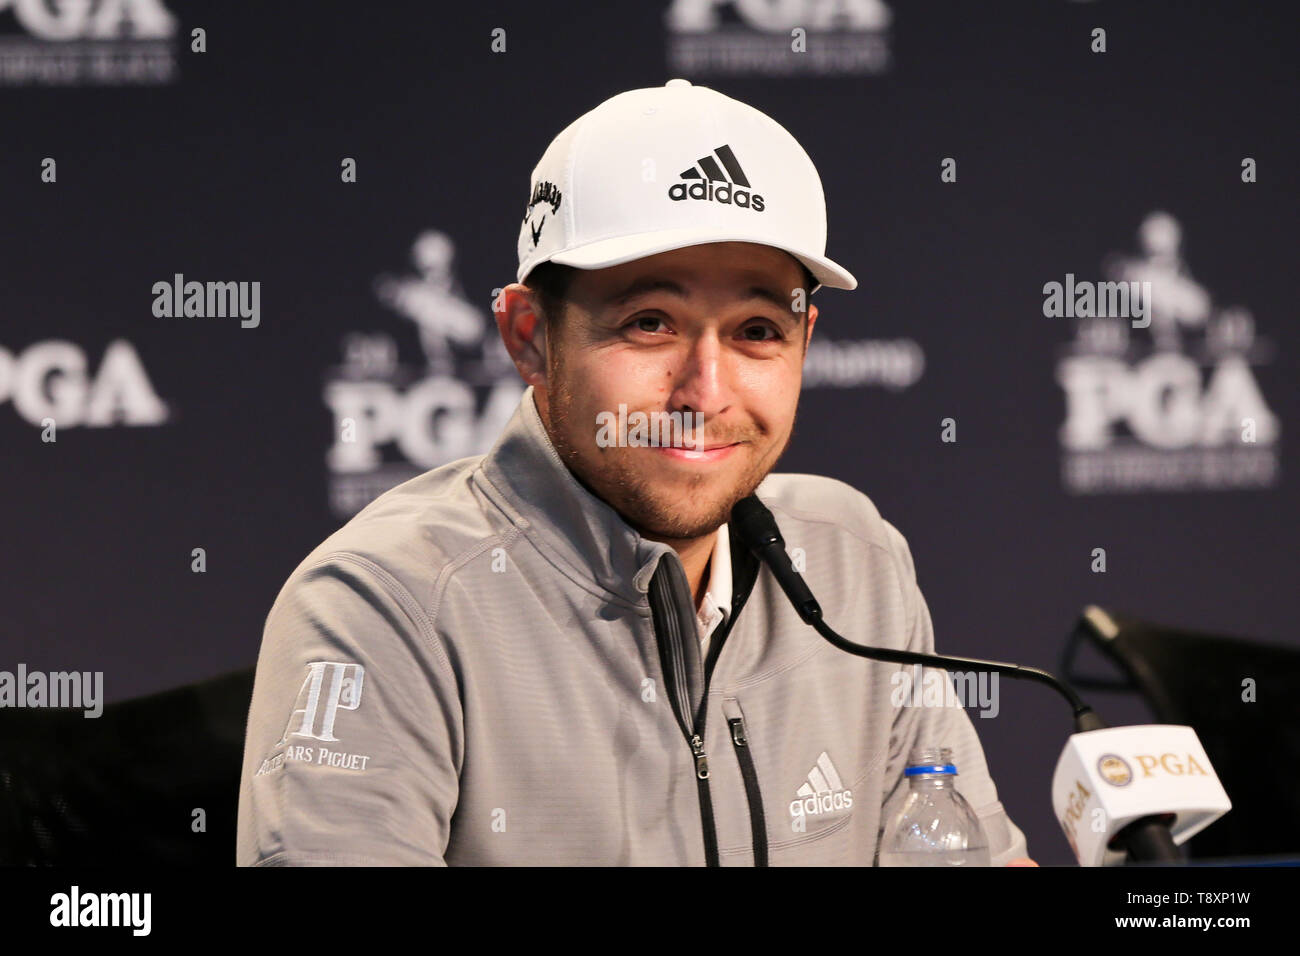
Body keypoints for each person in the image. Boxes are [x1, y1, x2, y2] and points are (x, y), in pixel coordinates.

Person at [236, 79, 1036, 866]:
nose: (707, 391)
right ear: (528, 337)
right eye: (649, 324)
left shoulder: (854, 558)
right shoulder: (383, 606)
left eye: (758, 330)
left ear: (806, 341)